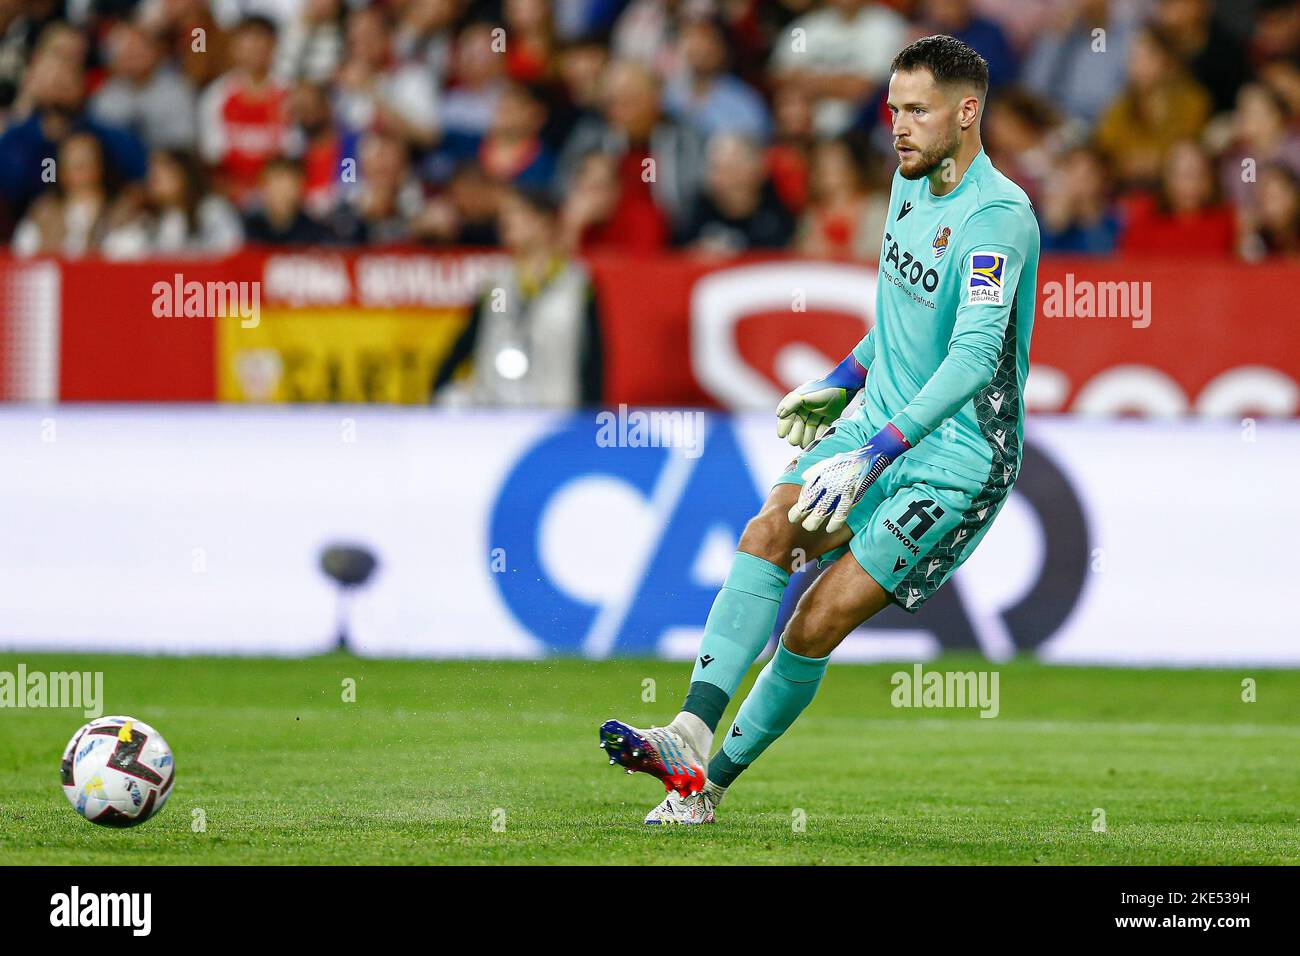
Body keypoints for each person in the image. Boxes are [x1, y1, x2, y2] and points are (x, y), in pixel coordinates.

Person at [599, 35, 1040, 825]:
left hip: (956, 457)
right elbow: (905, 318)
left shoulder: (998, 218)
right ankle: (689, 737)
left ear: (967, 113)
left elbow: (974, 356)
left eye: (918, 110)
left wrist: (881, 450)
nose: (898, 127)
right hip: (877, 420)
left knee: (815, 621)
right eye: (893, 109)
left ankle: (710, 788)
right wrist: (843, 380)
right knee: (769, 531)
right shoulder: (909, 181)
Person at [431, 186, 603, 407]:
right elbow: (469, 339)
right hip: (497, 411)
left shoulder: (576, 283)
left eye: (517, 213)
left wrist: (592, 410)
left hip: (556, 411)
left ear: (544, 223)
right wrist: (437, 387)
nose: (506, 221)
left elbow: (593, 355)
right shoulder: (498, 284)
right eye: (505, 214)